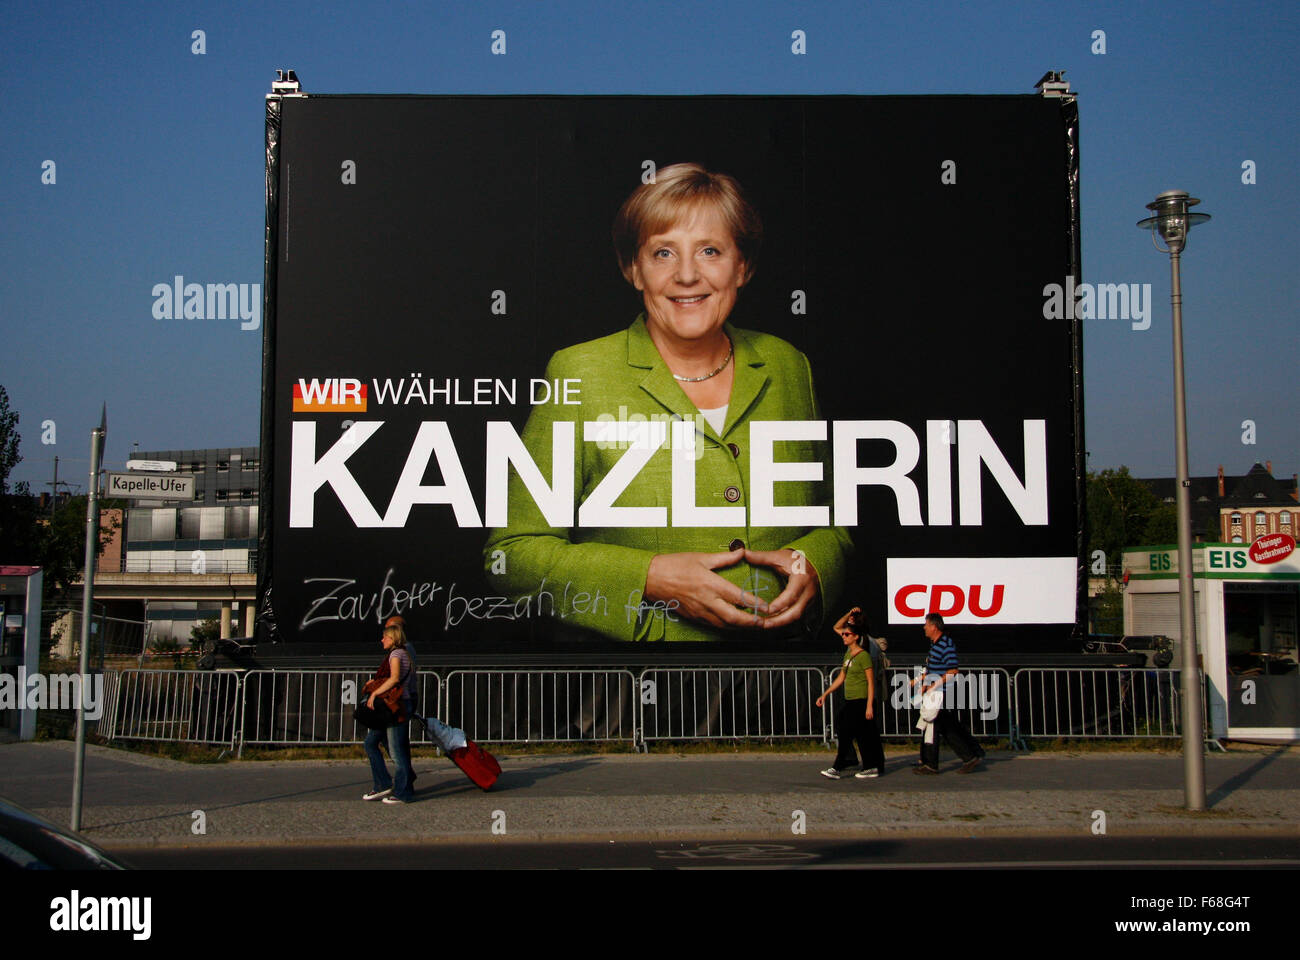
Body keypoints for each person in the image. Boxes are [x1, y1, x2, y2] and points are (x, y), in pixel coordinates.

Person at [484, 163, 852, 641]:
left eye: (710, 251)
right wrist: (648, 577)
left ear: (742, 265)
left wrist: (816, 565)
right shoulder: (580, 372)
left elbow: (835, 519)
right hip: (639, 692)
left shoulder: (786, 365)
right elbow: (511, 555)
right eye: (663, 253)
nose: (686, 275)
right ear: (633, 267)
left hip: (779, 687)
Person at [816, 607, 886, 779]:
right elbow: (841, 676)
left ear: (855, 633)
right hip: (853, 696)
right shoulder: (850, 650)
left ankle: (843, 765)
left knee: (855, 731)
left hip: (863, 696)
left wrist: (869, 704)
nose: (844, 634)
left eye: (848, 632)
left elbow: (870, 679)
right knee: (864, 733)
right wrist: (825, 694)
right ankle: (872, 764)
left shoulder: (866, 650)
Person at [911, 614, 985, 774]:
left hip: (941, 694)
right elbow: (933, 669)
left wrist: (933, 686)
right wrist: (921, 682)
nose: (924, 628)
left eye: (926, 625)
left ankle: (931, 764)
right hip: (935, 693)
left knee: (935, 726)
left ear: (934, 627)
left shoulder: (945, 644)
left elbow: (952, 670)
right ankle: (971, 755)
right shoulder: (935, 645)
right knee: (946, 727)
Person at [361, 623, 418, 803]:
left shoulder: (396, 654)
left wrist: (376, 692)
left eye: (385, 637)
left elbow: (394, 678)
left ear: (392, 638)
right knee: (371, 742)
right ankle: (383, 783)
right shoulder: (404, 653)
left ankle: (403, 791)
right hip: (397, 705)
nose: (382, 640)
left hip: (396, 706)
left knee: (396, 751)